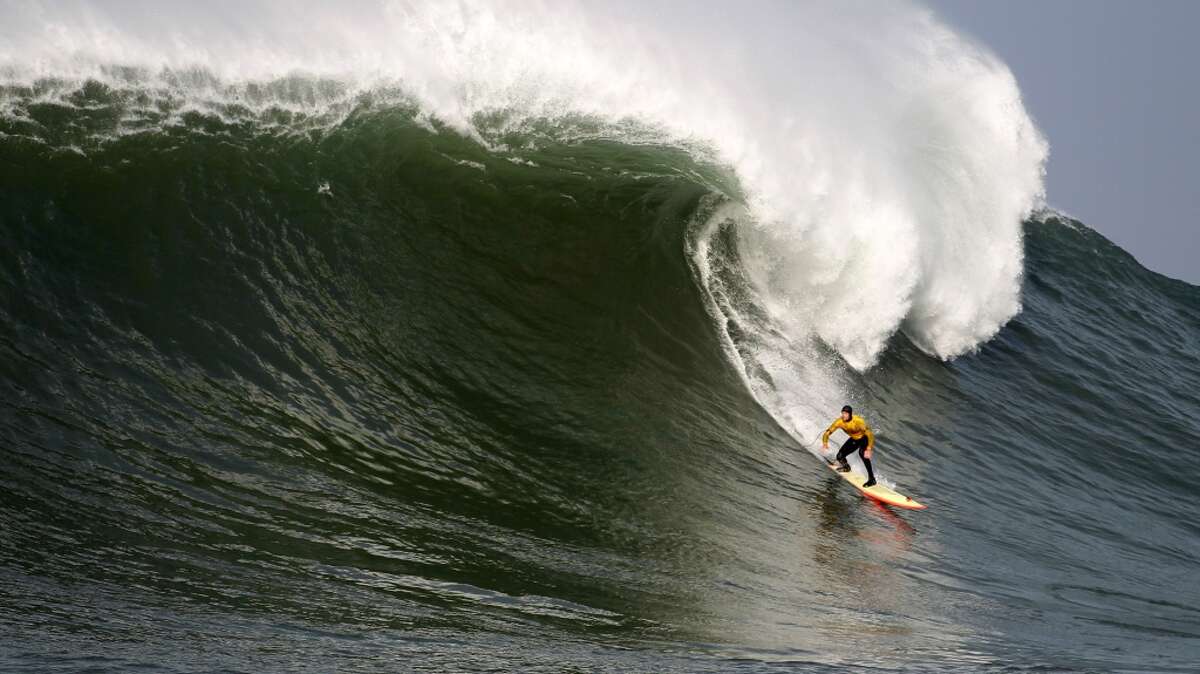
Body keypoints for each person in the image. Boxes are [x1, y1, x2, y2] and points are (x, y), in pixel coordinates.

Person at [822, 405, 877, 488]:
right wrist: (825, 443)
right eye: (842, 413)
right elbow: (827, 433)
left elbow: (870, 435)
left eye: (846, 413)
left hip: (864, 438)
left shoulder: (858, 421)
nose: (843, 415)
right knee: (839, 456)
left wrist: (869, 448)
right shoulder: (839, 422)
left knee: (862, 453)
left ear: (850, 414)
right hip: (854, 439)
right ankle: (846, 467)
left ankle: (872, 479)